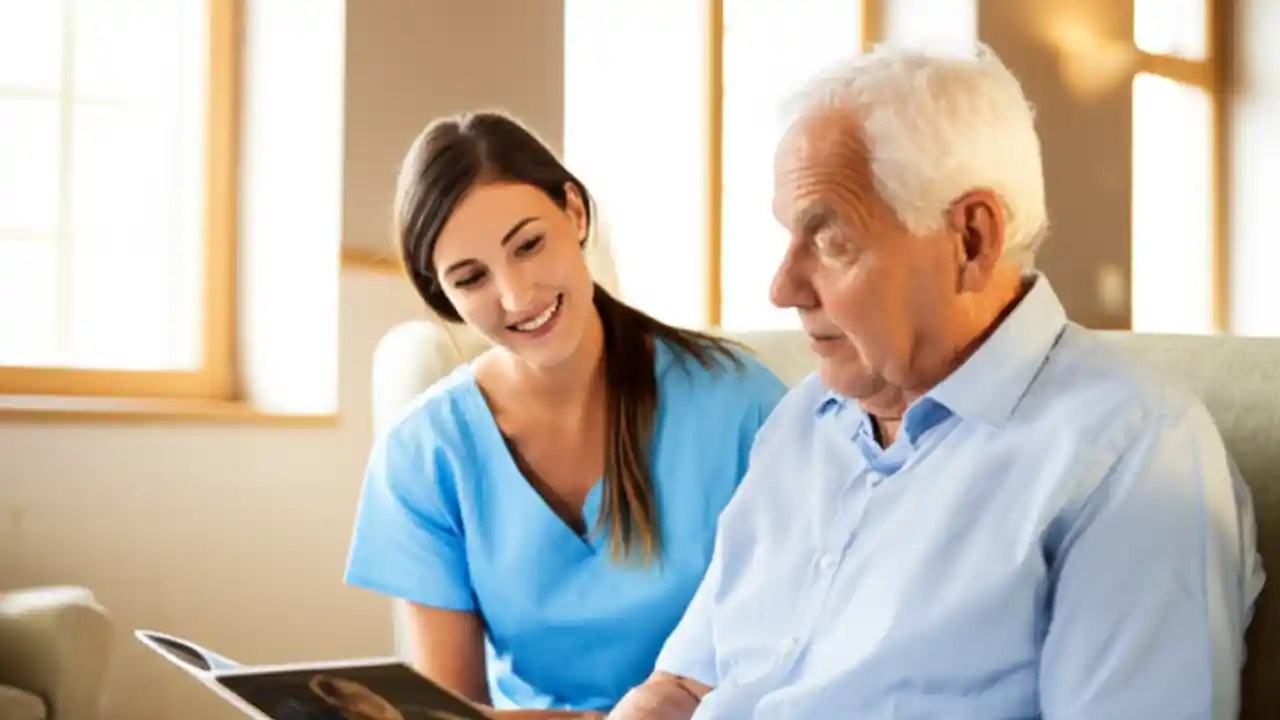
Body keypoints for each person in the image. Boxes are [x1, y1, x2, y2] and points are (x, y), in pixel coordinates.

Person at [610, 43, 1265, 719]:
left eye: (830, 241)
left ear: (972, 240)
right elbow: (684, 686)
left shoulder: (1136, 454)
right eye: (790, 238)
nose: (783, 288)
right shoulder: (805, 419)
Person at [343, 112, 787, 719]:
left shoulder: (739, 403)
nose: (516, 296)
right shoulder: (425, 453)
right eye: (471, 278)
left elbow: (797, 650)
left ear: (574, 212)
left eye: (529, 245)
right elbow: (451, 710)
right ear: (442, 293)